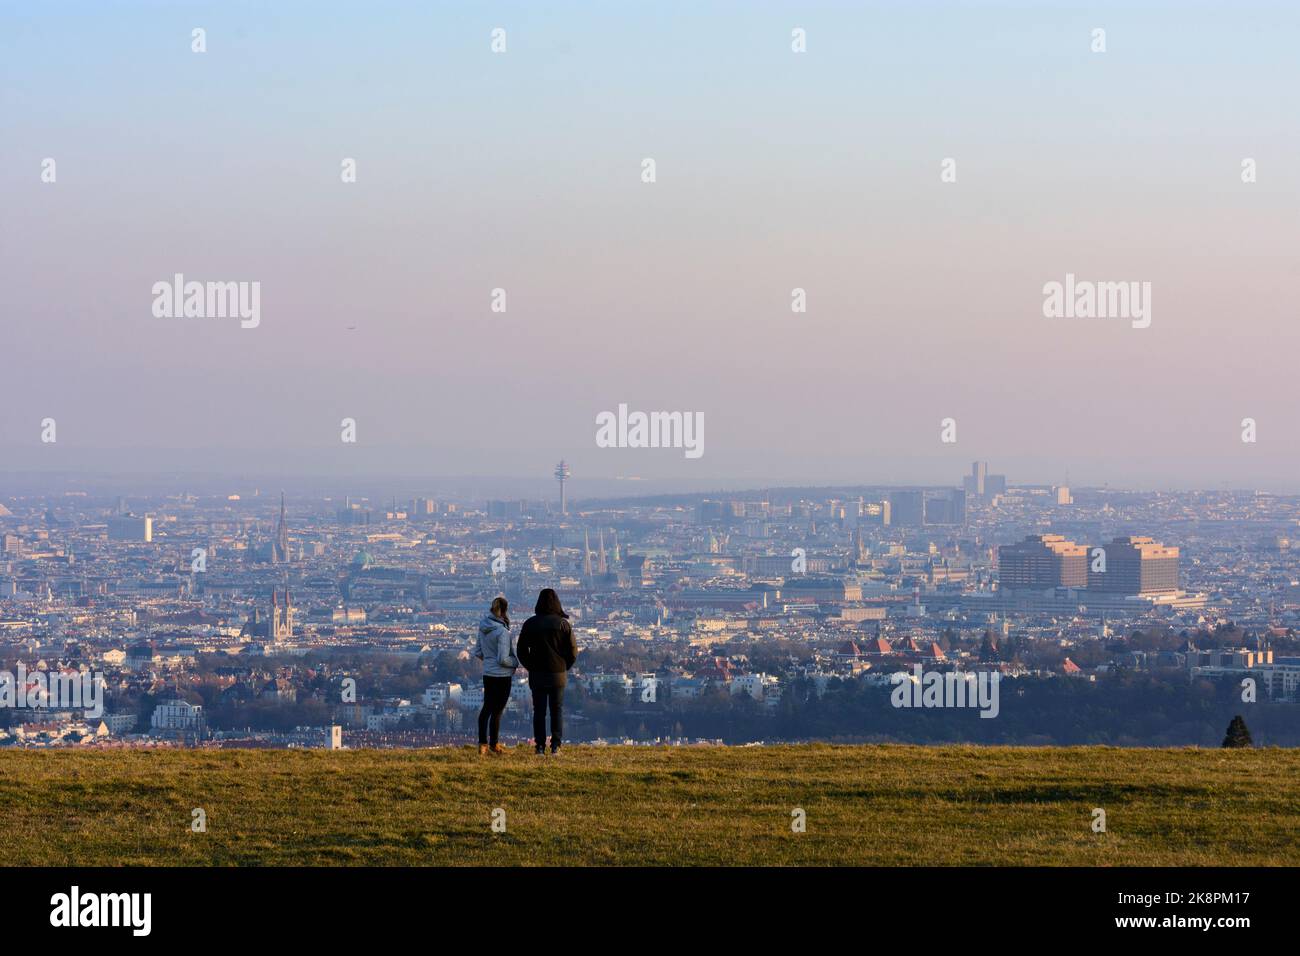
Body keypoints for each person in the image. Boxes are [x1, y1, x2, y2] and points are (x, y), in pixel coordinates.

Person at [515, 588, 577, 755]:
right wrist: (564, 667)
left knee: (539, 711)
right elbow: (572, 651)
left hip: (538, 674)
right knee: (557, 710)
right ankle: (556, 746)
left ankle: (540, 746)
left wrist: (531, 666)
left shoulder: (530, 624)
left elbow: (521, 650)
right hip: (558, 674)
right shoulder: (563, 625)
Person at [475, 596, 517, 755]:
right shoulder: (502, 632)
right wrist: (515, 662)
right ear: (504, 611)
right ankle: (494, 744)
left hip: (488, 674)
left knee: (486, 708)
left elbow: (478, 652)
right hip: (502, 676)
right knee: (498, 710)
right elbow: (503, 659)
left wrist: (488, 663)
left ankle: (482, 744)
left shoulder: (482, 626)